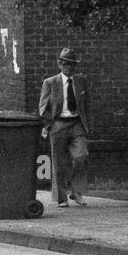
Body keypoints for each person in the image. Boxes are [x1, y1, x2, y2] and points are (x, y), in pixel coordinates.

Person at [38, 47, 91, 207]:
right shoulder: (50, 83)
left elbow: (87, 105)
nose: (69, 67)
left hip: (76, 124)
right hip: (58, 124)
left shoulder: (81, 81)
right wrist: (49, 124)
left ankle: (77, 192)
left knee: (80, 156)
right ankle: (62, 197)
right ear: (60, 65)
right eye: (66, 64)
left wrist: (88, 125)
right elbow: (43, 108)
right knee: (59, 162)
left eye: (72, 64)